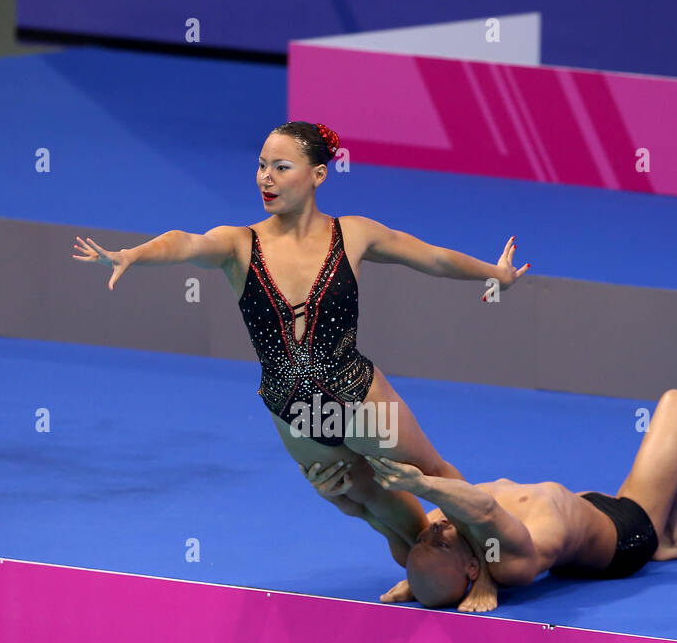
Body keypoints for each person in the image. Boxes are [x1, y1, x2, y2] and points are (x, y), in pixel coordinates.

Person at [72, 121, 527, 570]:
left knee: (435, 477)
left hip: (358, 396)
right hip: (296, 413)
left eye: (281, 167)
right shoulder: (238, 243)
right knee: (373, 506)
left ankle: (486, 568)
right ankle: (430, 571)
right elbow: (185, 243)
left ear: (318, 174)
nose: (265, 178)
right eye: (261, 165)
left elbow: (433, 257)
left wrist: (495, 274)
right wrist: (133, 254)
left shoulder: (353, 234)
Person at [305, 389, 677, 613]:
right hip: (628, 534)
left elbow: (370, 510)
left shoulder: (443, 538)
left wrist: (334, 490)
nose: (436, 527)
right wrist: (422, 483)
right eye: (440, 542)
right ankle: (668, 536)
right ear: (473, 568)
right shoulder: (512, 562)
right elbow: (485, 510)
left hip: (587, 513)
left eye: (427, 537)